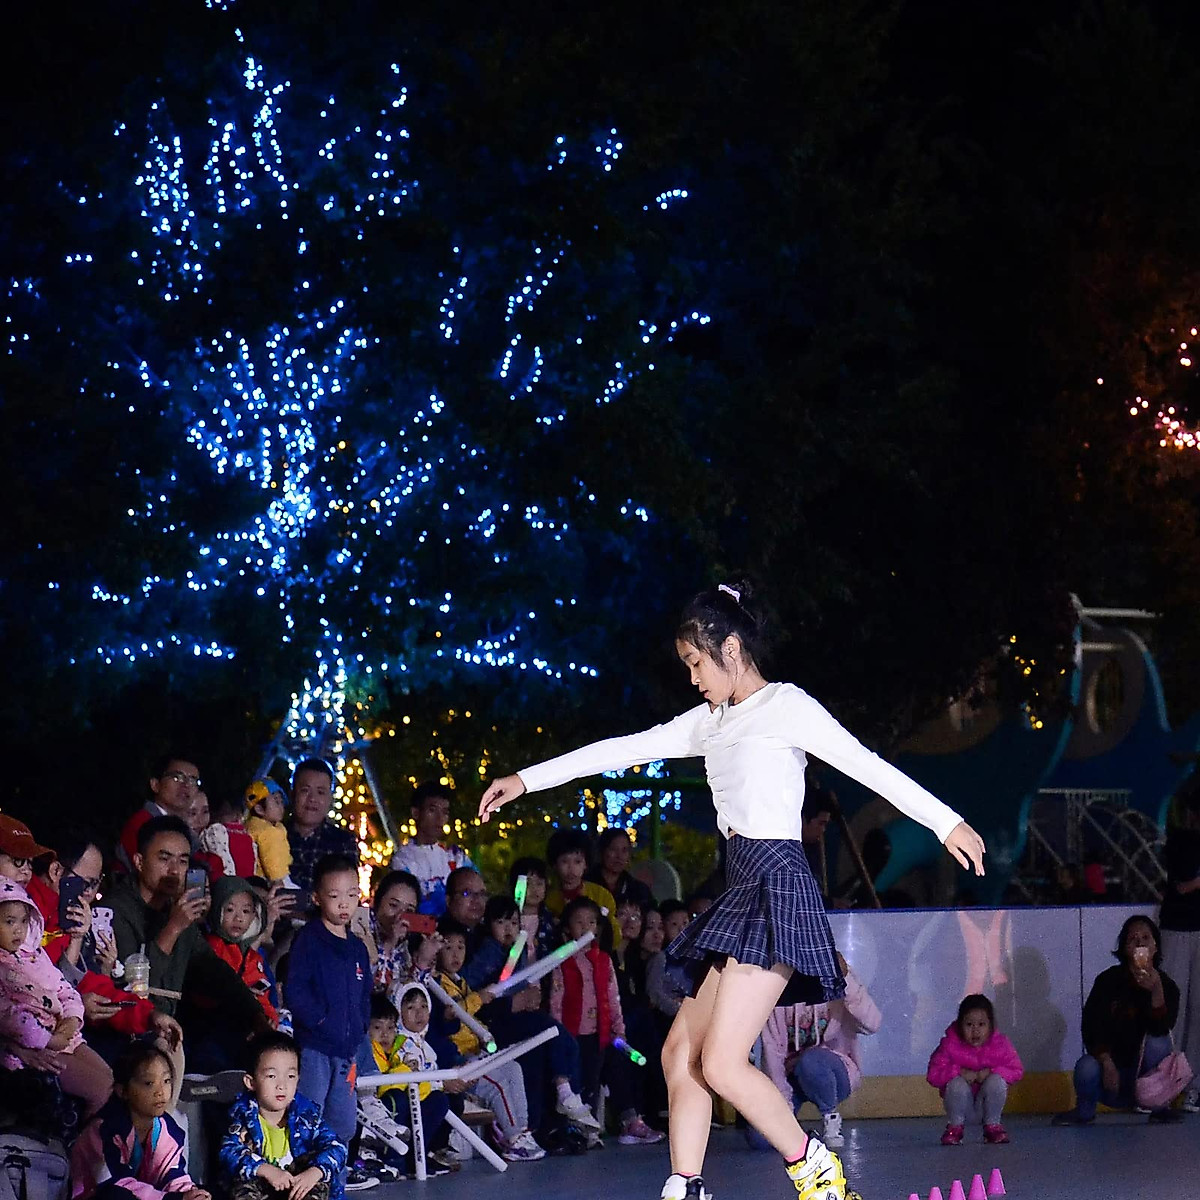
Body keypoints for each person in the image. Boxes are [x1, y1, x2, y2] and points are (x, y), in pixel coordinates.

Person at [479, 579, 985, 1200]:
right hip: (741, 886)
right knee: (679, 1055)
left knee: (720, 1062)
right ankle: (685, 1186)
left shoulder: (787, 706)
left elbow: (869, 766)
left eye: (697, 662)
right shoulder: (708, 723)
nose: (693, 678)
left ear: (733, 649)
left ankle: (818, 1175)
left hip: (779, 884)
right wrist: (525, 780)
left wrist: (945, 822)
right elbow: (622, 749)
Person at [108, 816, 271, 1068]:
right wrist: (174, 928)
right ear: (139, 862)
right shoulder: (117, 910)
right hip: (127, 1037)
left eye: (183, 861)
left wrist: (255, 1014)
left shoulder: (175, 909)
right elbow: (131, 986)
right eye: (164, 859)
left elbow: (211, 969)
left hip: (171, 1030)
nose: (175, 870)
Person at [286, 854, 373, 1191]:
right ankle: (302, 1184)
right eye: (334, 895)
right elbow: (295, 990)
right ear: (317, 897)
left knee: (343, 1121)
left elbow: (364, 994)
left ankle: (334, 1183)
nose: (344, 904)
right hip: (315, 1048)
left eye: (351, 895)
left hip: (347, 1051)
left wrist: (360, 1025)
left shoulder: (357, 948)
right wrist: (320, 1020)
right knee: (309, 1117)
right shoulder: (309, 940)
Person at [428, 921, 546, 1162]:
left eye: (460, 947)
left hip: (475, 1051)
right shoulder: (434, 983)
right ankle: (513, 1138)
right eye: (448, 948)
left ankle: (521, 1132)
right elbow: (451, 1017)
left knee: (513, 1068)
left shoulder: (460, 982)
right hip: (458, 1058)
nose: (455, 954)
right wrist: (479, 998)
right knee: (497, 1084)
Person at [551, 896, 664, 1147]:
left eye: (591, 922)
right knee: (576, 1080)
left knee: (592, 1081)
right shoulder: (562, 960)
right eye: (579, 922)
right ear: (567, 928)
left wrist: (618, 1030)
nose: (586, 927)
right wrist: (559, 1033)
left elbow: (613, 999)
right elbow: (556, 1000)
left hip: (599, 1033)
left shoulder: (604, 960)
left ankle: (591, 1130)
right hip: (571, 1034)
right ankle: (576, 1129)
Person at [1053, 914, 1184, 1125]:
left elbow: (1161, 1029)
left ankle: (1160, 1107)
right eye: (1133, 939)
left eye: (1146, 938)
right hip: (1111, 1074)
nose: (1140, 943)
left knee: (1158, 1043)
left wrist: (1156, 991)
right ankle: (1084, 1111)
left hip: (1146, 1079)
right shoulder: (1108, 981)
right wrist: (1106, 1062)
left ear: (1155, 947)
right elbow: (1091, 1027)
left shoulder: (1167, 986)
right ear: (1124, 948)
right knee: (1086, 1067)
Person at [0, 878, 114, 1117]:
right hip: (35, 1047)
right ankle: (85, 1141)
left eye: (24, 921)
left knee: (111, 1080)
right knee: (100, 1089)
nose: (19, 929)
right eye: (9, 922)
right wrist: (47, 1040)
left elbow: (65, 989)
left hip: (65, 1035)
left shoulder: (34, 955)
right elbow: (8, 1015)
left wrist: (71, 1021)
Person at [751, 952, 880, 1151]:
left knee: (811, 1060)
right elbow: (773, 1053)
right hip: (791, 1076)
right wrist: (783, 1114)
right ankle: (800, 1134)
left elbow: (872, 1023)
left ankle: (830, 1118)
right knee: (759, 1139)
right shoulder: (779, 990)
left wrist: (845, 979)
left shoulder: (835, 983)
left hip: (834, 1071)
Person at [219, 1030, 348, 1200]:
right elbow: (228, 1151)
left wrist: (316, 1171)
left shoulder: (307, 1117)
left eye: (290, 1076)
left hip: (296, 1187)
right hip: (264, 1188)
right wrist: (264, 1169)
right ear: (251, 1082)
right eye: (271, 1076)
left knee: (316, 1180)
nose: (282, 1085)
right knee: (243, 1183)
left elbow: (338, 1147)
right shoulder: (243, 1117)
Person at [70, 1042, 207, 1200]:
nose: (160, 1092)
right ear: (122, 1090)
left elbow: (174, 1175)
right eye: (149, 1083)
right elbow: (115, 1183)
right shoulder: (103, 1131)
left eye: (166, 1081)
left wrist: (192, 1194)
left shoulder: (168, 1130)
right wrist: (170, 1199)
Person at [926, 993, 1023, 1145]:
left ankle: (993, 1126)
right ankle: (955, 1128)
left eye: (981, 1024)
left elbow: (1016, 1070)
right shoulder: (950, 1045)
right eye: (969, 1024)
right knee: (956, 1084)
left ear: (990, 1025)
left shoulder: (1000, 1045)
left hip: (986, 1105)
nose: (975, 1030)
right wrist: (958, 1072)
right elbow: (933, 1075)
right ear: (960, 1025)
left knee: (997, 1081)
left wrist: (992, 1072)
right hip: (961, 1107)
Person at [1158, 786, 1200, 1111]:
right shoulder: (1179, 842)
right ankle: (1166, 1084)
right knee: (1174, 1006)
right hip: (1177, 926)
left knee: (1198, 1009)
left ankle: (1193, 1085)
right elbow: (1184, 884)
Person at [388, 783, 477, 916]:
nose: (440, 818)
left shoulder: (456, 856)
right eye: (432, 810)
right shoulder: (402, 860)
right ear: (416, 813)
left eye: (445, 812)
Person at [204, 876, 280, 1027]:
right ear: (216, 909)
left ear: (254, 916)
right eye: (230, 910)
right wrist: (241, 997)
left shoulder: (253, 958)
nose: (238, 918)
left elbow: (264, 999)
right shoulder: (208, 948)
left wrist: (270, 1020)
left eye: (246, 911)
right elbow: (203, 995)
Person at [117, 755, 203, 871]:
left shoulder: (187, 829)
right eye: (177, 778)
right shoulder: (141, 823)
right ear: (155, 785)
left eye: (193, 780)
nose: (186, 785)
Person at [286, 761, 358, 895]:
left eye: (320, 792)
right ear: (292, 794)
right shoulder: (273, 835)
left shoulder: (343, 842)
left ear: (330, 799)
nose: (312, 798)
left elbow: (346, 894)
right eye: (305, 790)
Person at [366, 871, 442, 997]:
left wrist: (423, 961)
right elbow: (371, 986)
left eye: (409, 911)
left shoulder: (406, 944)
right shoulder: (360, 929)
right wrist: (389, 944)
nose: (400, 916)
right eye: (393, 905)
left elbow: (409, 999)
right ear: (377, 901)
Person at [545, 829, 621, 947]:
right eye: (564, 861)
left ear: (586, 864)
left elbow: (614, 936)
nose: (571, 868)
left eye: (577, 862)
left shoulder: (601, 896)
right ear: (555, 864)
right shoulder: (548, 899)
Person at [245, 779, 296, 887]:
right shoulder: (268, 831)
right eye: (276, 802)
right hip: (269, 881)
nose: (281, 807)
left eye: (281, 802)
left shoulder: (253, 825)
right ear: (259, 809)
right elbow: (275, 866)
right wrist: (279, 882)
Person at [588, 829, 653, 911]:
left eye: (624, 850)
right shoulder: (587, 884)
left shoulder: (638, 889)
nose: (619, 856)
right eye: (613, 849)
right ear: (602, 851)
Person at [198, 796, 261, 880]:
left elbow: (224, 865)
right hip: (248, 884)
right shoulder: (248, 836)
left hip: (228, 883)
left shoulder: (216, 830)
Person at [443, 867, 488, 957]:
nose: (476, 900)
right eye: (467, 893)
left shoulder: (491, 935)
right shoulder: (437, 937)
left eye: (481, 894)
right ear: (448, 900)